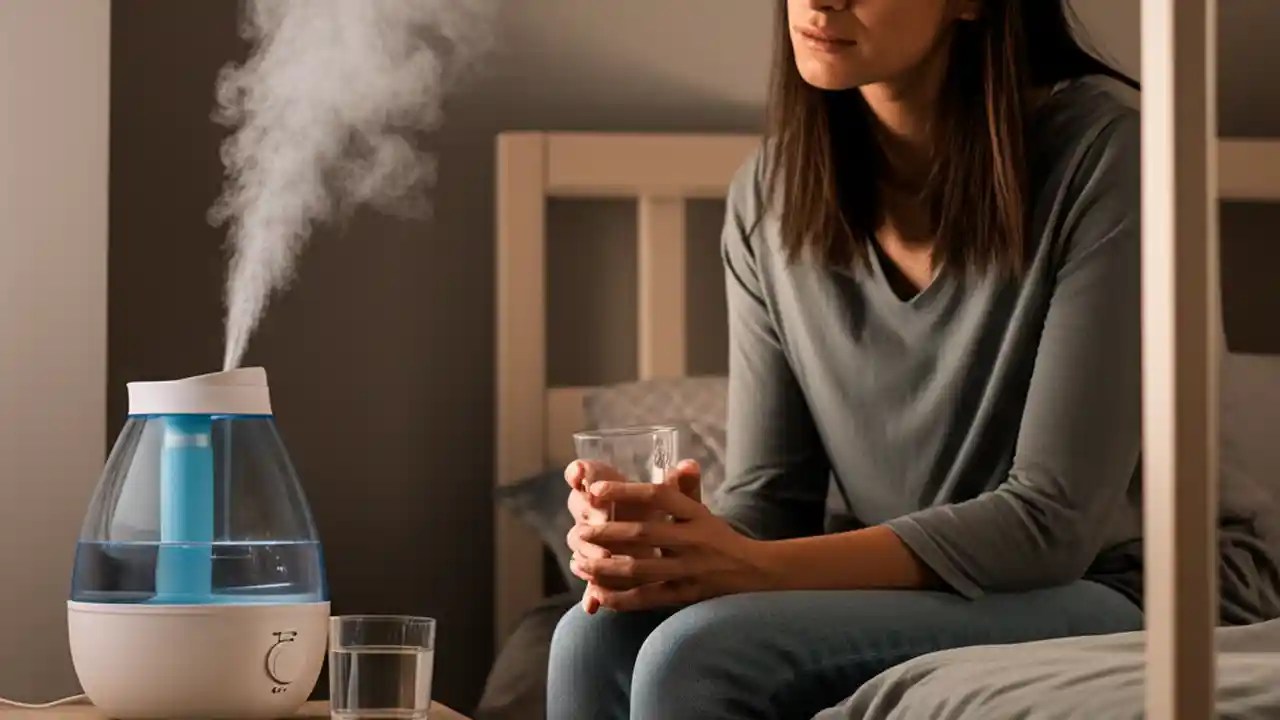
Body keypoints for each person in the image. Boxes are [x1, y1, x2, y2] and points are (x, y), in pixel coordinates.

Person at [547, 1, 1280, 719]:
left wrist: (754, 571)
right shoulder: (769, 198)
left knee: (699, 652)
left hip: (1139, 585)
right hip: (934, 589)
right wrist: (674, 544)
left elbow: (1052, 524)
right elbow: (773, 498)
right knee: (592, 635)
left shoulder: (1114, 161)